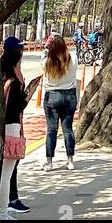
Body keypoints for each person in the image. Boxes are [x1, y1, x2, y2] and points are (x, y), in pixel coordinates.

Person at [0, 36, 40, 220]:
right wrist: (30, 91)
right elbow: (17, 107)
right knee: (6, 174)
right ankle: (3, 211)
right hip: (12, 128)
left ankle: (1, 209)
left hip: (1, 127)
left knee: (3, 173)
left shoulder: (0, 75)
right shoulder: (13, 83)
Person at [41, 34, 77, 171]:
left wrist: (46, 46)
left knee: (51, 130)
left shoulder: (46, 62)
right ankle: (70, 161)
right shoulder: (73, 59)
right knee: (68, 129)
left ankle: (49, 162)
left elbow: (44, 54)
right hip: (69, 96)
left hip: (52, 96)